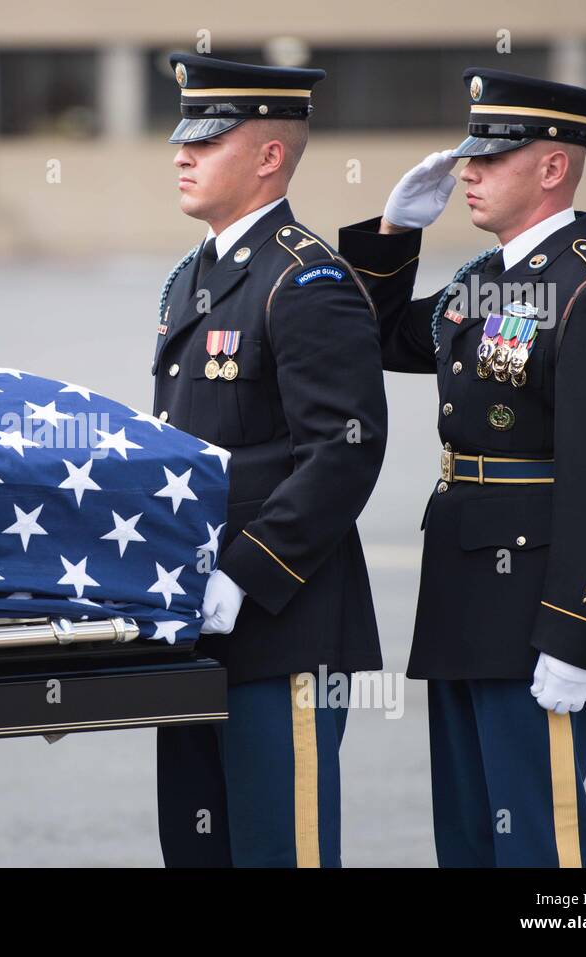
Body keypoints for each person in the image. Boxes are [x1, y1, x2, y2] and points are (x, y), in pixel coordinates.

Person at [338, 68, 586, 867]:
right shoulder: (484, 283)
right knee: (472, 838)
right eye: (468, 157)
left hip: (536, 612)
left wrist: (579, 633)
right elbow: (370, 339)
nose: (467, 173)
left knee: (540, 841)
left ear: (552, 168)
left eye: (490, 158)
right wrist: (392, 235)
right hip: (461, 596)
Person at [152, 53, 387, 867]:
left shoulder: (305, 279)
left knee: (276, 850)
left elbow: (344, 453)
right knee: (198, 849)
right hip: (196, 621)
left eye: (205, 142)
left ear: (268, 156)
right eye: (181, 138)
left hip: (281, 627)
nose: (180, 154)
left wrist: (246, 572)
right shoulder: (195, 276)